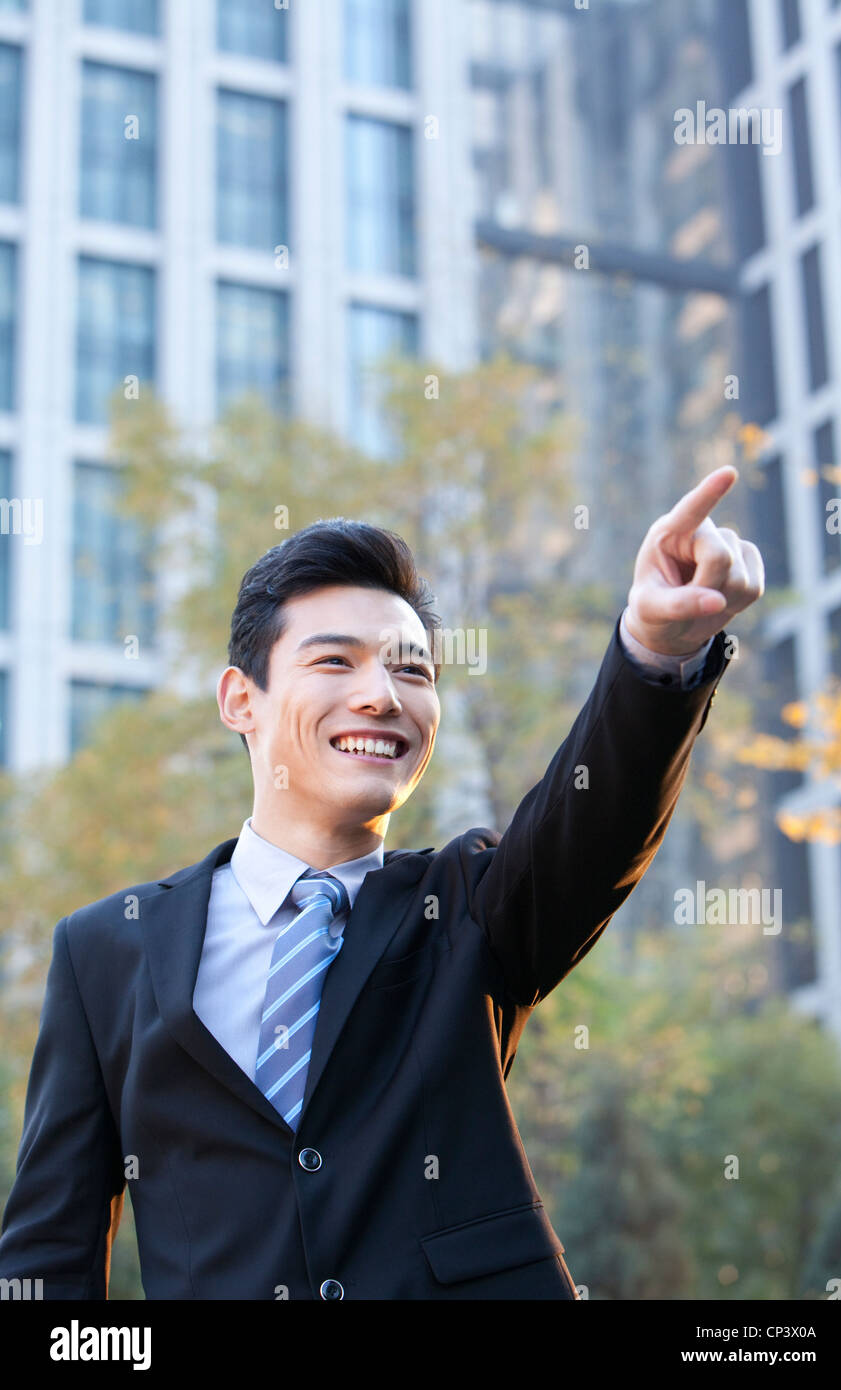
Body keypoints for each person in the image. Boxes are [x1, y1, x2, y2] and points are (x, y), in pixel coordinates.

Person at [0, 464, 762, 1300]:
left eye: (413, 672)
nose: (380, 696)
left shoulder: (468, 906)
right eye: (335, 662)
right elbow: (49, 1250)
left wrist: (657, 650)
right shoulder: (108, 949)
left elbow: (595, 822)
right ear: (239, 699)